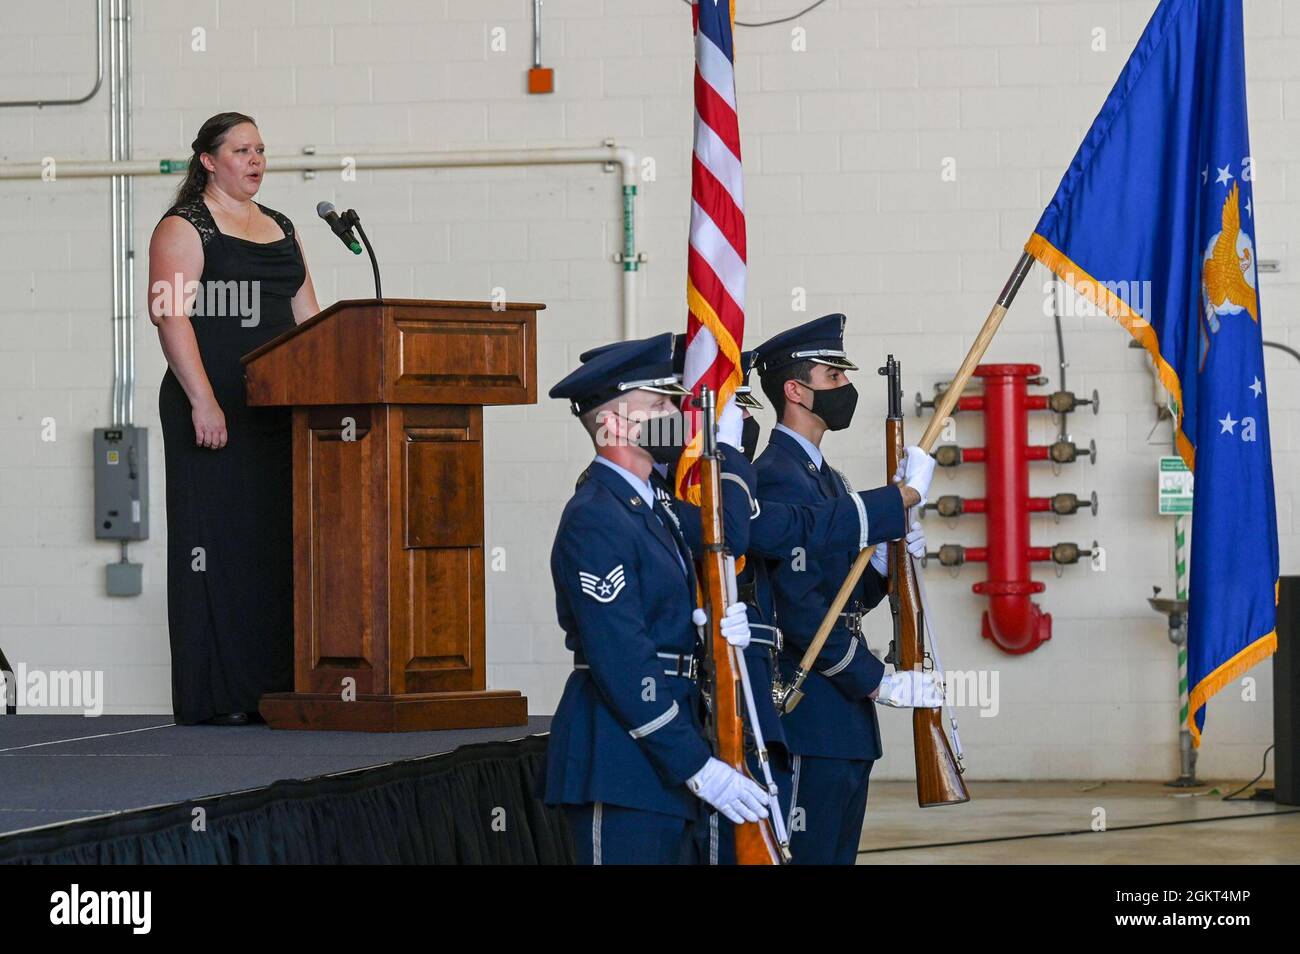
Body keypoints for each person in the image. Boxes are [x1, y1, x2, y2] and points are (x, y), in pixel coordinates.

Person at [543, 334, 769, 864]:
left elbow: (727, 538)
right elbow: (622, 659)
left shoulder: (655, 507)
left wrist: (721, 625)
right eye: (661, 403)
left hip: (668, 747)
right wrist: (695, 763)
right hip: (624, 754)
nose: (678, 412)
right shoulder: (597, 515)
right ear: (616, 424)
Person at [148, 112, 321, 726]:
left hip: (278, 409)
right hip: (214, 407)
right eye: (242, 149)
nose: (255, 159)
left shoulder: (282, 226)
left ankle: (276, 688)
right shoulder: (183, 226)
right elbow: (171, 317)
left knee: (276, 543)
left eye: (260, 149)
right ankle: (220, 698)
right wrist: (202, 399)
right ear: (208, 161)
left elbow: (311, 320)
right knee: (217, 546)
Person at [753, 314, 941, 864]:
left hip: (843, 717)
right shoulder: (776, 476)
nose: (845, 390)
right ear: (796, 390)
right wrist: (875, 679)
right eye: (833, 377)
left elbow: (847, 597)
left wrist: (884, 564)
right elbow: (798, 607)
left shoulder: (827, 479)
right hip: (811, 711)